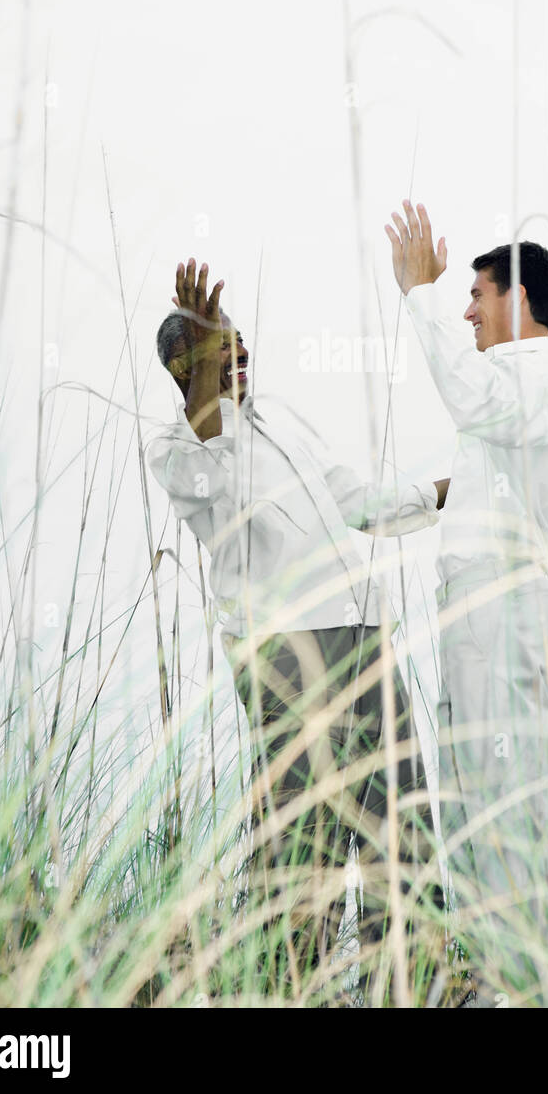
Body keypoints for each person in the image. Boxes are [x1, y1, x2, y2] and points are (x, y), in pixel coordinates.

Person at [146, 257, 448, 1003]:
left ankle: (410, 986)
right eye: (219, 349)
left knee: (398, 816)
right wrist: (207, 367)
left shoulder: (286, 420)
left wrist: (451, 488)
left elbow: (360, 500)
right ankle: (290, 989)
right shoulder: (180, 449)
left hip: (363, 633)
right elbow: (209, 454)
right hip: (288, 655)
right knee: (301, 836)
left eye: (240, 343)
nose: (237, 355)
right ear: (185, 368)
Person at [384, 202, 548, 1000]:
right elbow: (465, 478)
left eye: (476, 293)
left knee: (510, 799)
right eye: (459, 296)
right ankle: (501, 977)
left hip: (499, 610)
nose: (465, 309)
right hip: (476, 616)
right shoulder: (511, 402)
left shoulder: (533, 378)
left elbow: (469, 398)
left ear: (519, 300)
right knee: (473, 799)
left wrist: (418, 294)